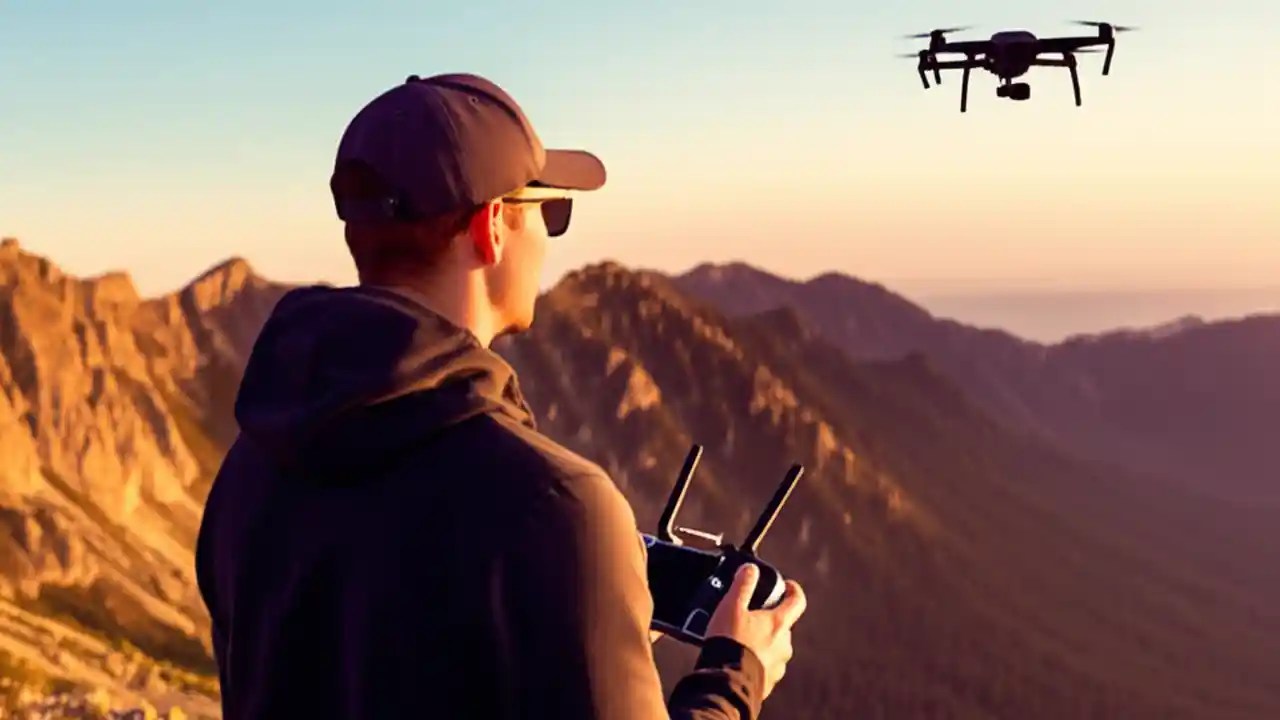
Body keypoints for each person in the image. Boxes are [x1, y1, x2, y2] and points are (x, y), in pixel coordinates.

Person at [194, 71, 806, 719]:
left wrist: (590, 628)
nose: (549, 237)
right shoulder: (554, 505)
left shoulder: (251, 469)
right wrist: (733, 676)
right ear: (491, 227)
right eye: (549, 210)